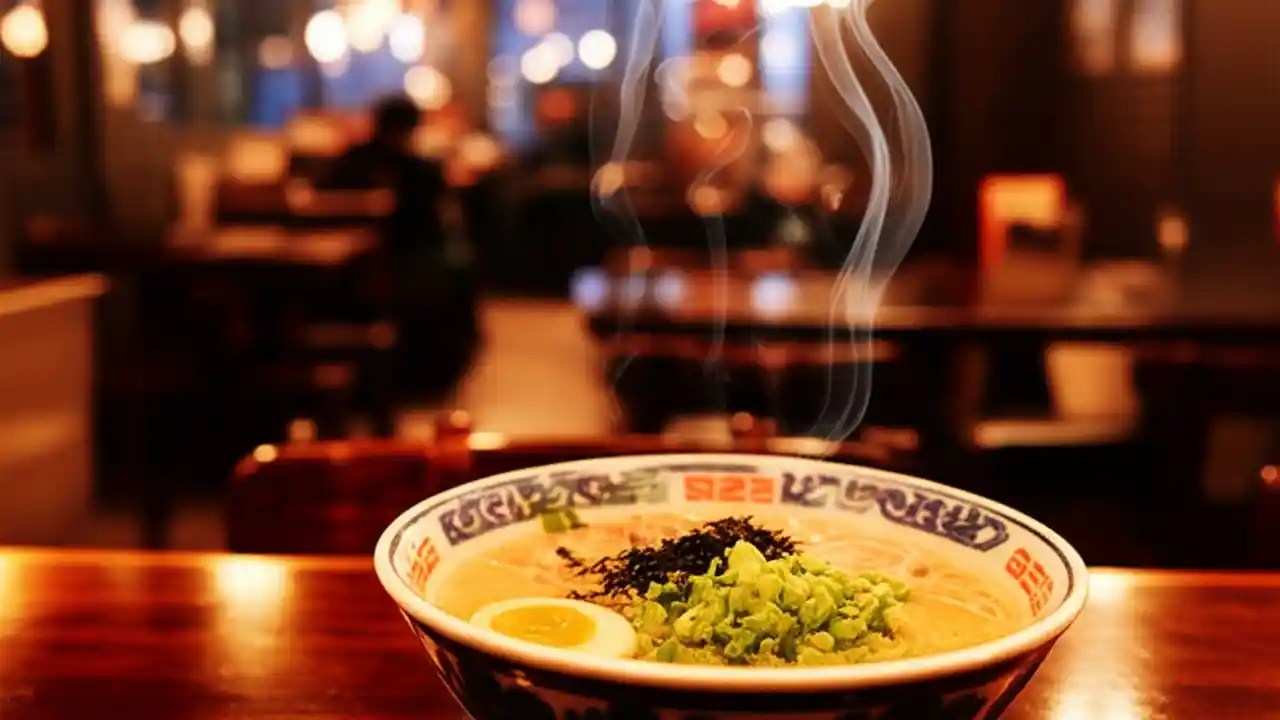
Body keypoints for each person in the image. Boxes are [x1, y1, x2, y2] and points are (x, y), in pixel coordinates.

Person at [318, 95, 477, 400]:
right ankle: (425, 375)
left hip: (347, 277)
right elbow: (439, 225)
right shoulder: (422, 170)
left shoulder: (352, 159)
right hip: (400, 270)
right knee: (456, 269)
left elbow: (322, 199)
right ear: (413, 127)